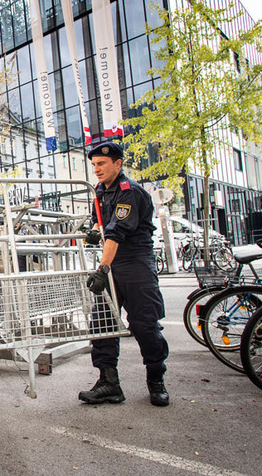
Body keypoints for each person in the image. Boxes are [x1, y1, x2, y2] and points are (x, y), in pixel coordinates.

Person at [81, 141, 170, 407]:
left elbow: (118, 232)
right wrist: (95, 228)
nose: (96, 169)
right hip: (113, 262)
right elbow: (101, 220)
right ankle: (109, 383)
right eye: (94, 165)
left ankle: (156, 380)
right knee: (102, 323)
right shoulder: (100, 190)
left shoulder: (129, 192)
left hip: (135, 263)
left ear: (117, 164)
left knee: (145, 324)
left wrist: (102, 268)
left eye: (102, 164)